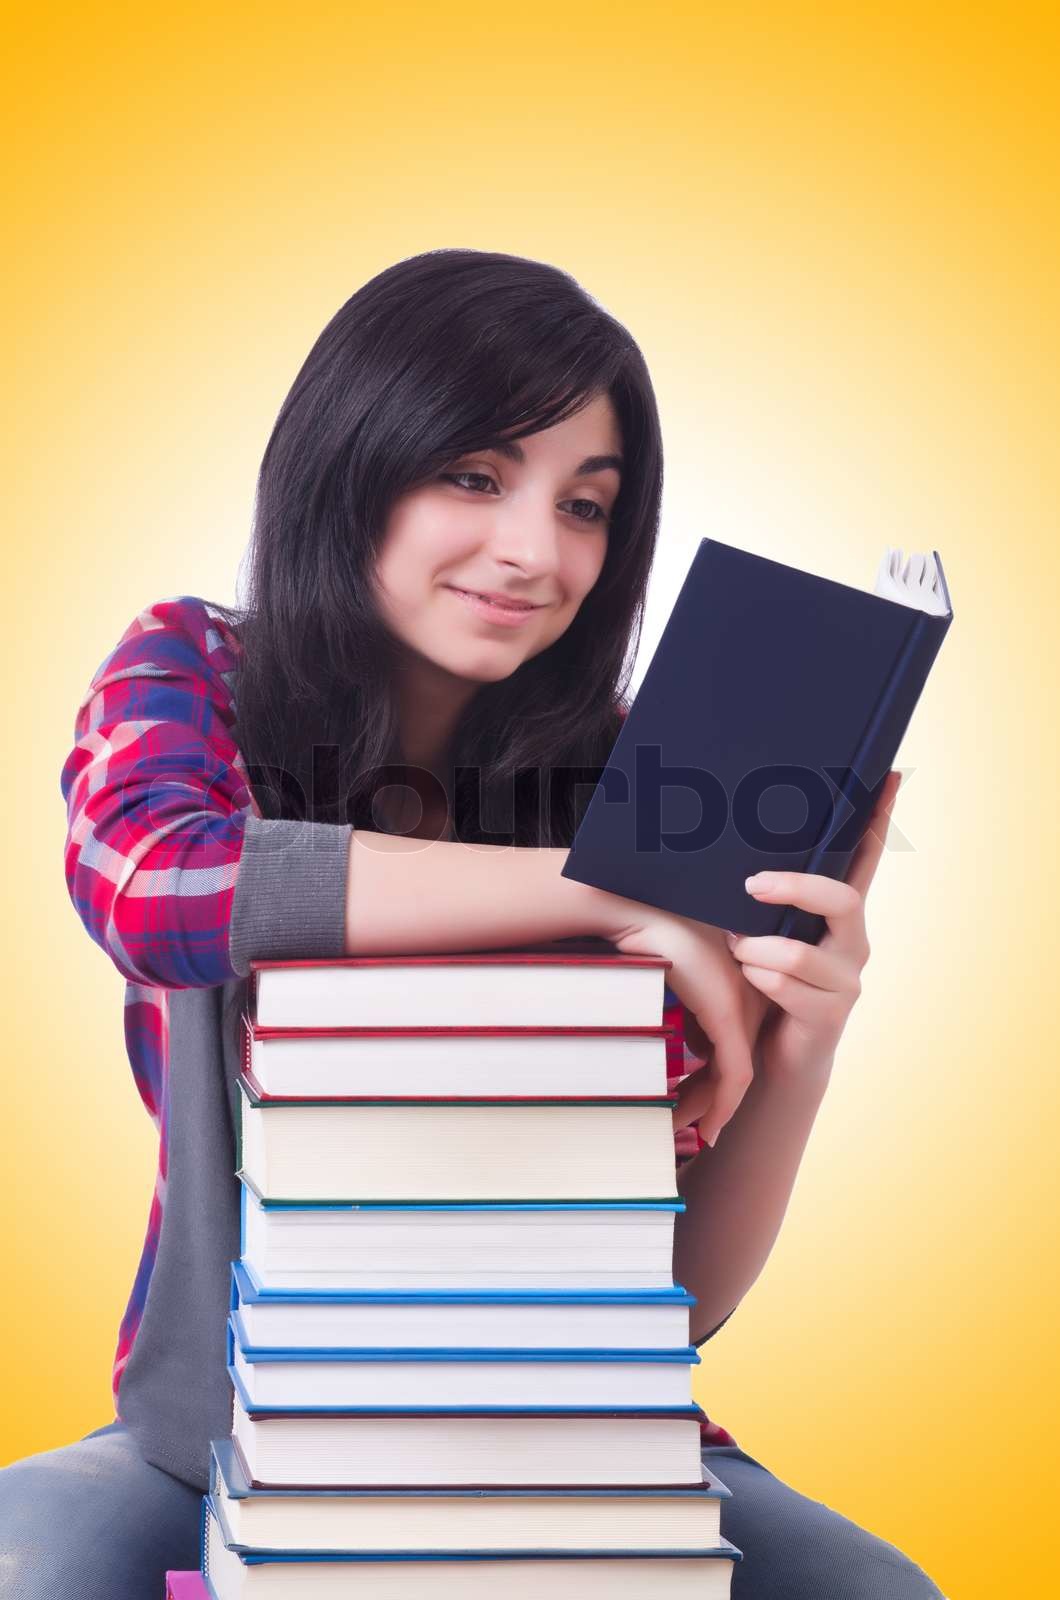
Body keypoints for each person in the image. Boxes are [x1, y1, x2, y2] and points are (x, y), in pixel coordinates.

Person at [1, 249, 945, 1597]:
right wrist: (606, 884)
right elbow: (158, 885)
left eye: (586, 506)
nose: (534, 551)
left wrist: (805, 1040)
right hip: (220, 1437)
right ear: (352, 468)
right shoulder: (197, 672)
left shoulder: (639, 767)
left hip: (579, 1438)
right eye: (473, 477)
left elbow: (670, 1287)